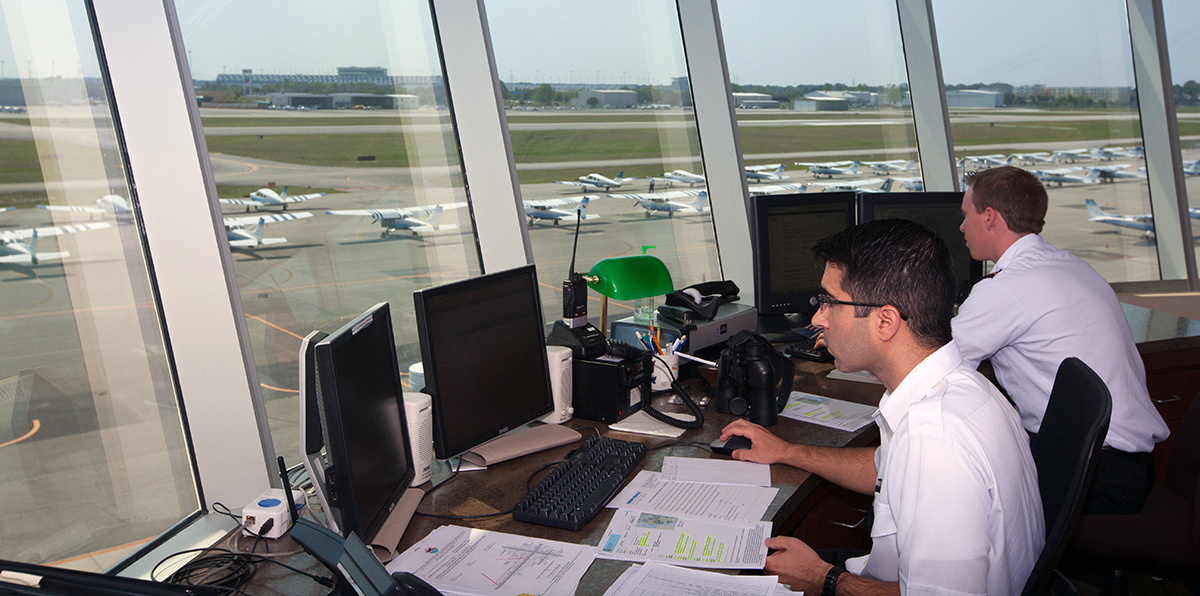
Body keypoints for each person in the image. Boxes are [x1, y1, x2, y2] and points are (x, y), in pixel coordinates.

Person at [723, 219, 1044, 596]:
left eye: (829, 302)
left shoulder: (935, 439)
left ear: (886, 321)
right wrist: (789, 452)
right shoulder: (960, 388)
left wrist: (823, 579)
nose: (817, 319)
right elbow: (886, 469)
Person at [953, 165, 1168, 514]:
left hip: (1096, 477)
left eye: (966, 215)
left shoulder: (1007, 287)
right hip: (1129, 466)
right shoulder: (1070, 265)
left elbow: (928, 365)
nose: (962, 227)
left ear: (989, 217)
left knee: (958, 482)